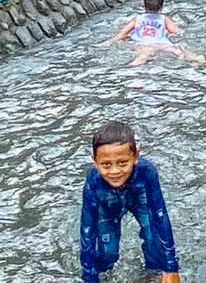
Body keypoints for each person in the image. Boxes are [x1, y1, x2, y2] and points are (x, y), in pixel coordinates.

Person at [78, 120, 183, 283]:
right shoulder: (93, 182)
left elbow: (160, 215)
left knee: (152, 237)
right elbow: (87, 229)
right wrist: (88, 277)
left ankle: (152, 275)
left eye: (122, 163)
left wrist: (171, 267)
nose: (114, 171)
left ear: (135, 156)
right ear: (95, 161)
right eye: (106, 164)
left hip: (140, 197)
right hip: (107, 203)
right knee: (107, 251)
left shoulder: (147, 173)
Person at [100, 0, 204, 66]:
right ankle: (196, 58)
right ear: (162, 8)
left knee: (143, 56)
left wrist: (109, 41)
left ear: (143, 5)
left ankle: (133, 66)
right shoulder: (164, 19)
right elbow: (176, 33)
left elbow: (122, 34)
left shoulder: (138, 19)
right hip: (162, 43)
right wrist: (179, 29)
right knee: (179, 51)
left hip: (144, 44)